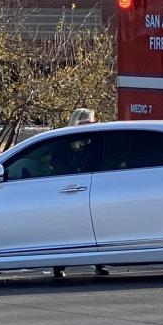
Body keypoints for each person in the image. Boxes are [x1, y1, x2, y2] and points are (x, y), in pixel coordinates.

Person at [54, 108, 109, 278]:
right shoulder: (67, 143)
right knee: (68, 229)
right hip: (70, 191)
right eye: (91, 122)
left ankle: (99, 263)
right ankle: (59, 265)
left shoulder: (93, 142)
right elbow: (56, 163)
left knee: (95, 227)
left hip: (89, 190)